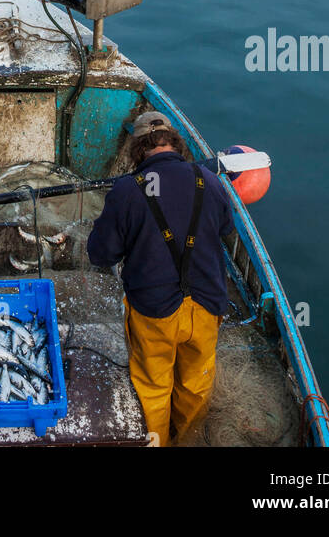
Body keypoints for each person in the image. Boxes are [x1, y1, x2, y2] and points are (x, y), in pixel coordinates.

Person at [87, 111, 233, 446]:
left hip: (154, 311)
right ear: (176, 144)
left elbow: (102, 255)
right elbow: (224, 229)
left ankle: (158, 443)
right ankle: (188, 438)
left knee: (154, 386)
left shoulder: (127, 191)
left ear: (138, 150)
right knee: (196, 384)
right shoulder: (208, 181)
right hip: (208, 306)